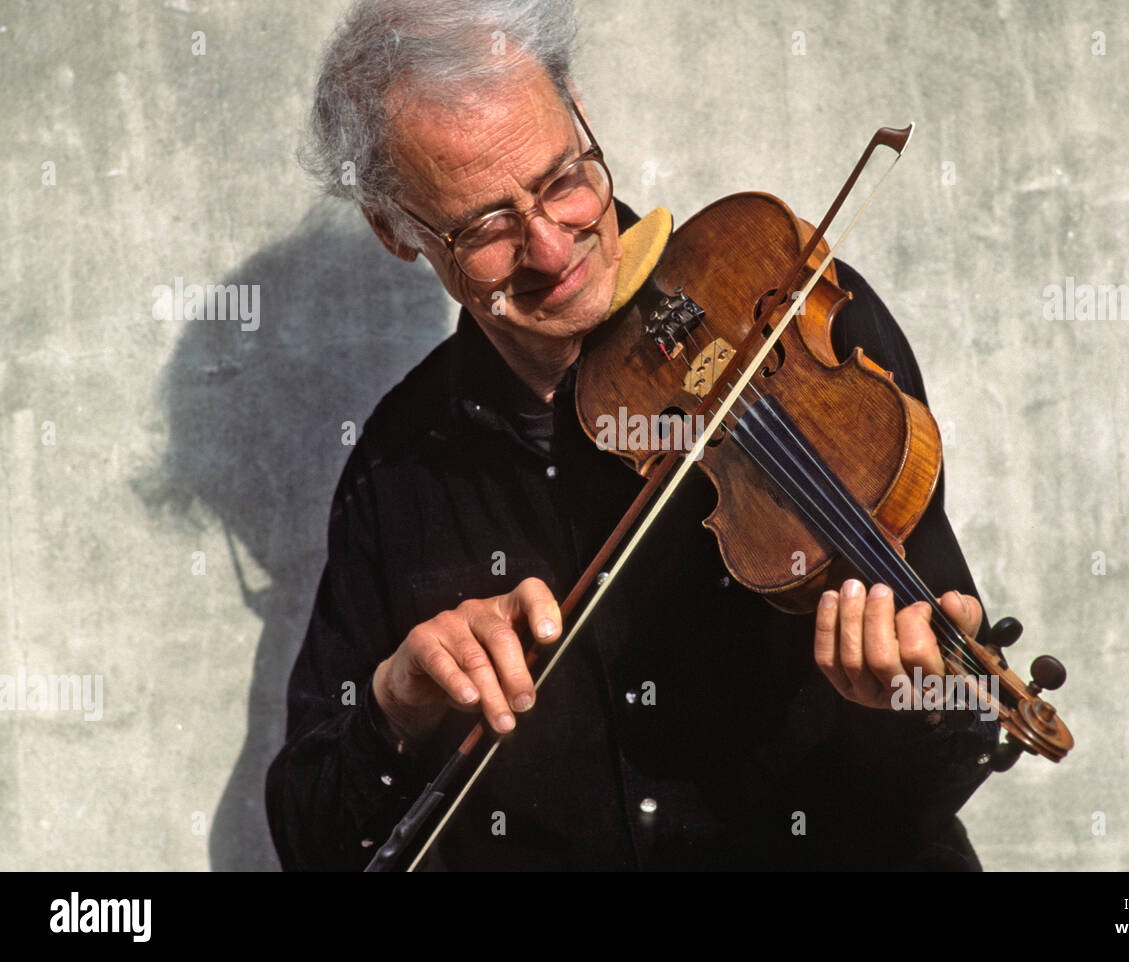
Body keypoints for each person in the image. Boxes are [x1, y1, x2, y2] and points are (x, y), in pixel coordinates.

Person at [266, 0, 1000, 871]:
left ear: (577, 104)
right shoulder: (400, 464)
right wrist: (397, 702)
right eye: (488, 228)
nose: (553, 247)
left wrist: (914, 704)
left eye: (563, 178)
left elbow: (957, 743)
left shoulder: (790, 317)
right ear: (397, 233)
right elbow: (320, 846)